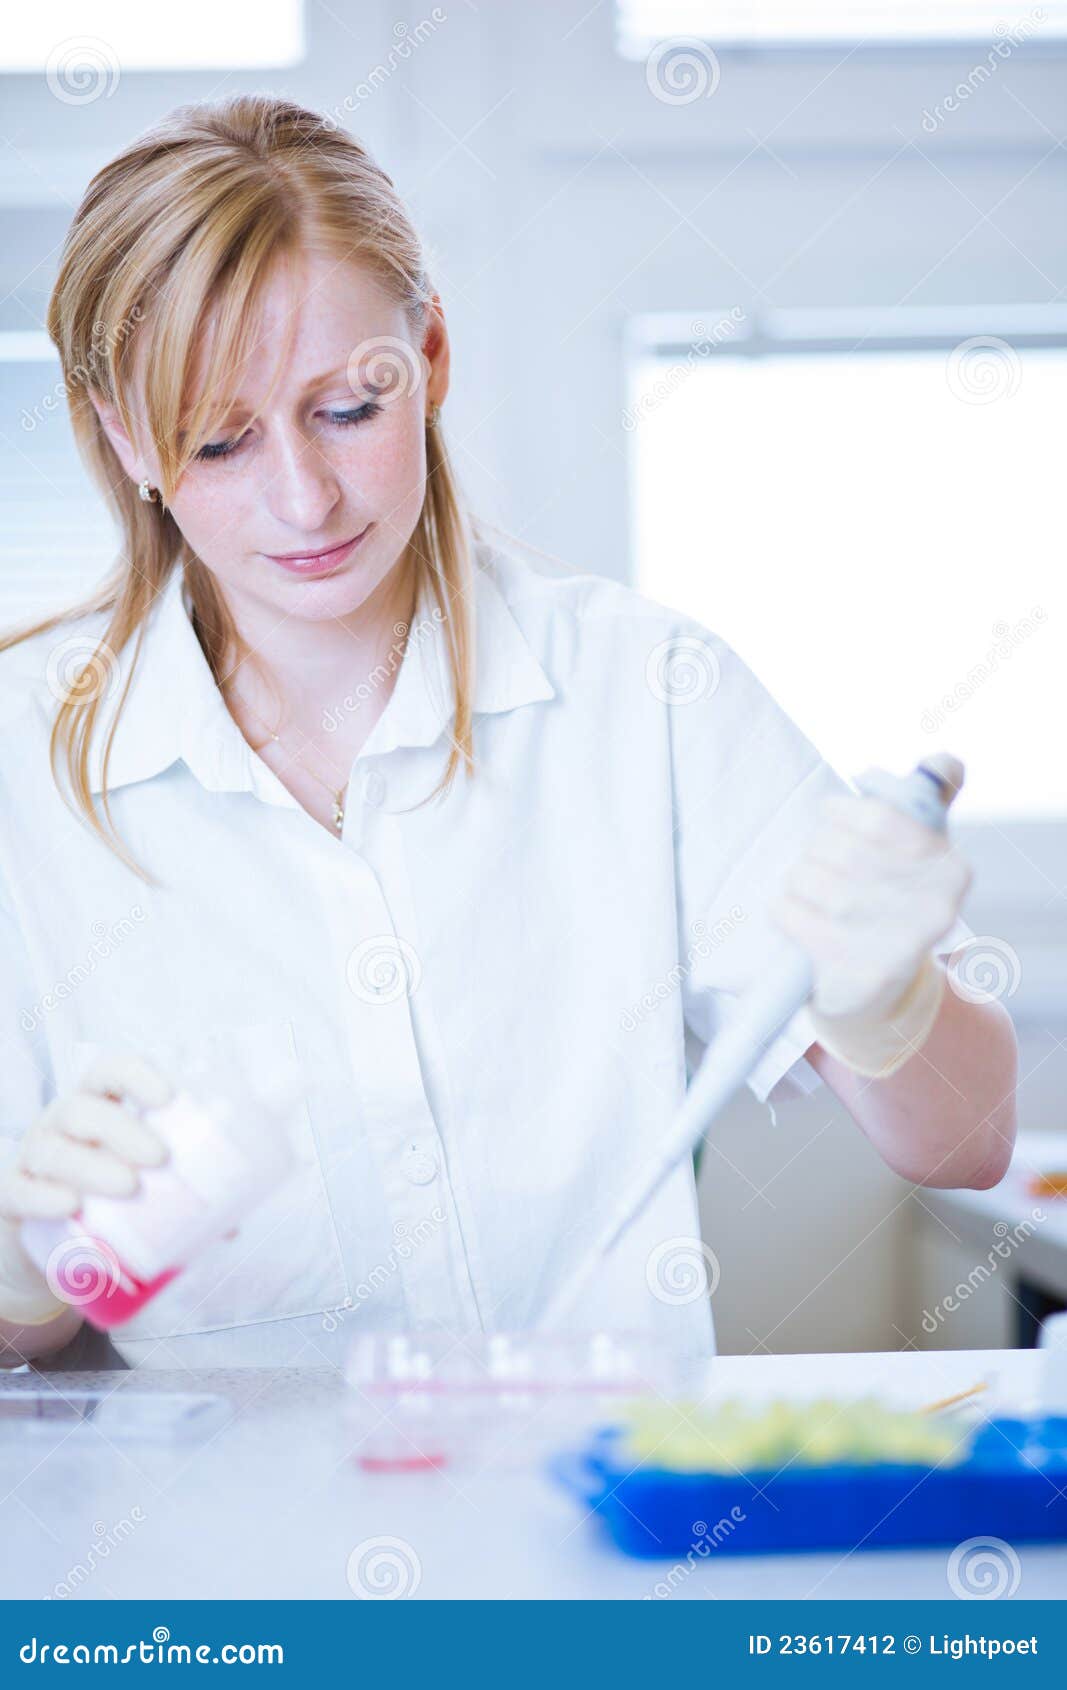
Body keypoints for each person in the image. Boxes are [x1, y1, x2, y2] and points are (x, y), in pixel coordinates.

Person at [0, 96, 1016, 1374]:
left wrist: (888, 1002)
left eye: (347, 411)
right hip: (215, 1554)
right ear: (123, 437)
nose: (302, 495)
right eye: (219, 438)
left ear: (427, 358)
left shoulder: (645, 693)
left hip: (593, 1542)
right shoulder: (23, 769)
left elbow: (965, 1142)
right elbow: (18, 1346)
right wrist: (23, 1266)